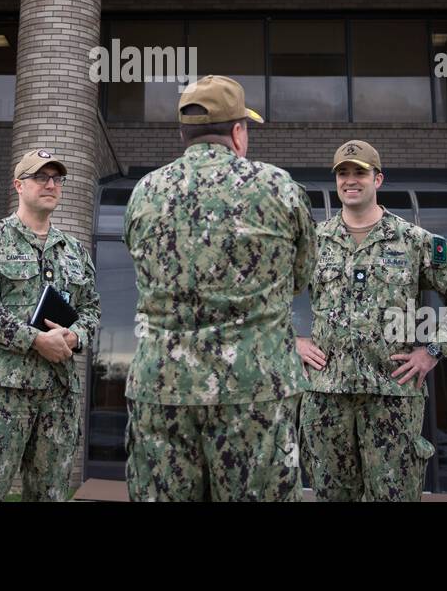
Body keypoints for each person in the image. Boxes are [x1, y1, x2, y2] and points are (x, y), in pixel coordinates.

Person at [124, 75, 313, 501]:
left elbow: (144, 270)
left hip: (162, 388)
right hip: (254, 389)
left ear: (183, 134)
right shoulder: (279, 188)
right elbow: (300, 277)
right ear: (238, 131)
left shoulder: (144, 192)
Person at [297, 140, 447, 501]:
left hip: (393, 397)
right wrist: (293, 340)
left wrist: (433, 350)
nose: (350, 181)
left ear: (378, 179)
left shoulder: (414, 241)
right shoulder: (314, 241)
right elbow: (267, 293)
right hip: (326, 396)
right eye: (343, 173)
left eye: (359, 173)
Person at [0, 148, 101, 501]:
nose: (51, 184)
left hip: (59, 395)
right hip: (4, 394)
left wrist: (75, 335)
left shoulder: (75, 252)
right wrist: (35, 340)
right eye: (41, 177)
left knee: (50, 494)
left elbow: (92, 311)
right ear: (19, 185)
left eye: (57, 179)